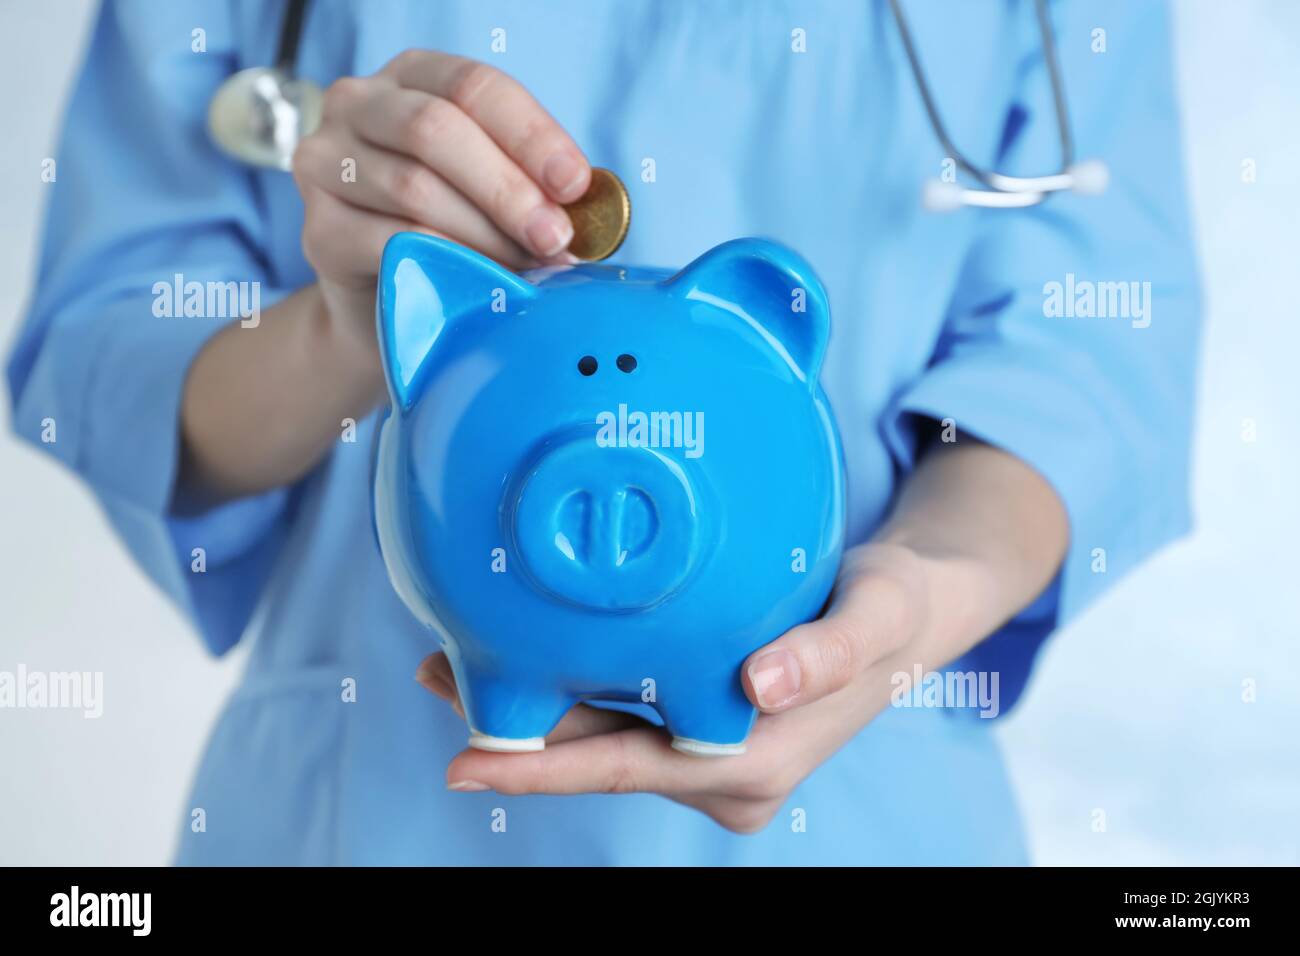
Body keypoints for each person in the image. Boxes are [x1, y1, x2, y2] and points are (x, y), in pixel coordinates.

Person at [7, 0, 1200, 864]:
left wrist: (922, 596)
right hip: (368, 802)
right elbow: (106, 353)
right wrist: (344, 331)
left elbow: (1081, 357)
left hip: (865, 794)